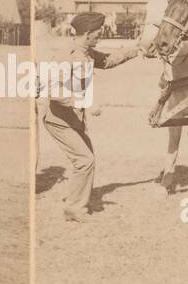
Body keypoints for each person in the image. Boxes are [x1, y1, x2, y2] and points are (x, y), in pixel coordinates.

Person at [41, 12, 140, 222]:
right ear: (86, 33)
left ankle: (77, 203)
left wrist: (137, 50)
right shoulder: (65, 54)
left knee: (87, 160)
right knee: (85, 160)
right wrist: (84, 103)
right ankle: (74, 209)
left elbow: (108, 60)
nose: (100, 37)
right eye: (97, 33)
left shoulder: (85, 52)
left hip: (74, 119)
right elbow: (53, 91)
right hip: (58, 120)